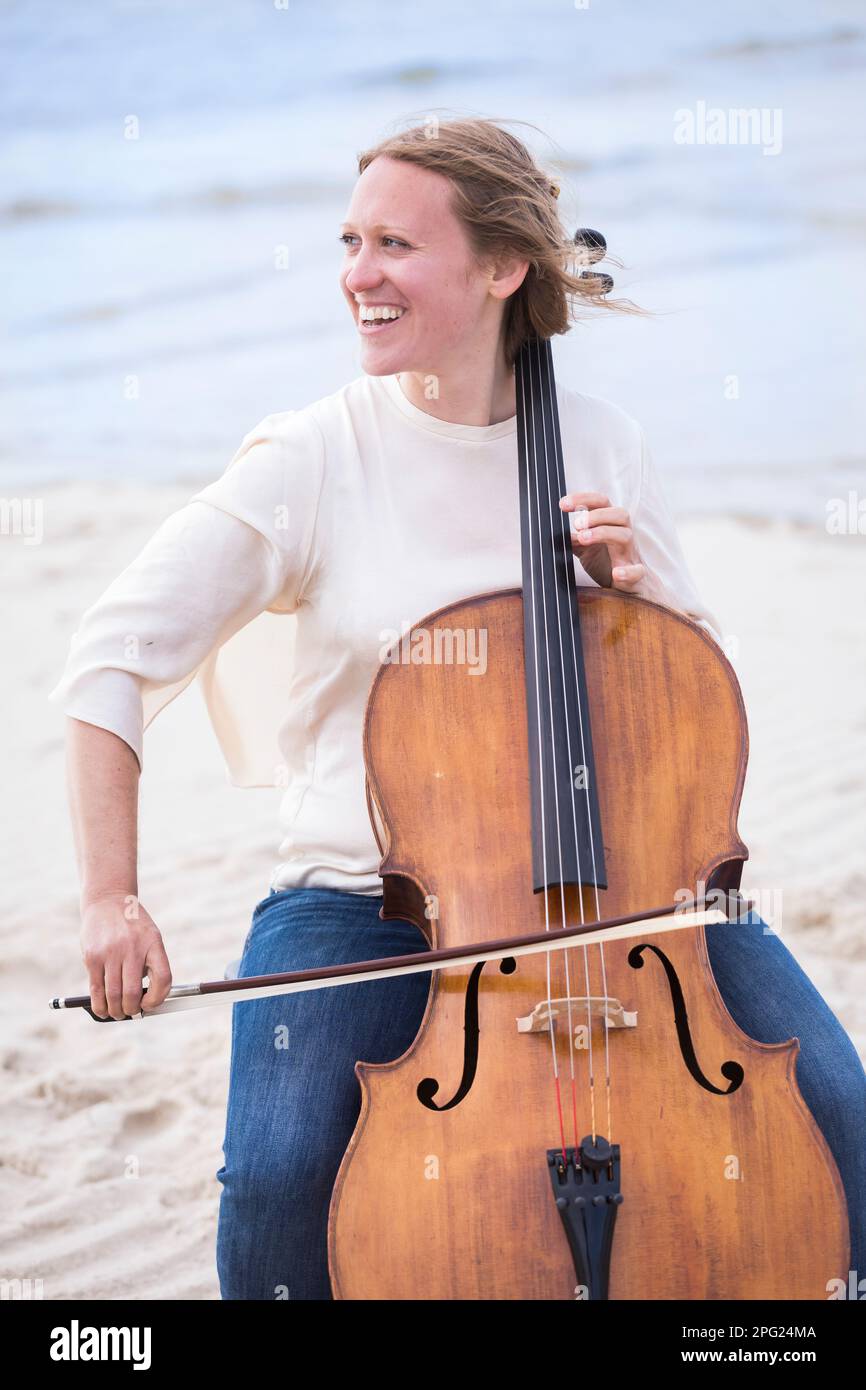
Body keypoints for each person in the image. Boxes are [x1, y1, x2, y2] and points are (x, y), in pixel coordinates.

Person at [49, 117, 866, 1301]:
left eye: (394, 244)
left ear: (500, 268)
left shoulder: (601, 444)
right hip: (366, 903)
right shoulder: (314, 457)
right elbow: (109, 657)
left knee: (835, 1112)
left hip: (630, 892)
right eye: (350, 241)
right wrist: (111, 895)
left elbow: (703, 695)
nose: (356, 276)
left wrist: (639, 597)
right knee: (279, 1182)